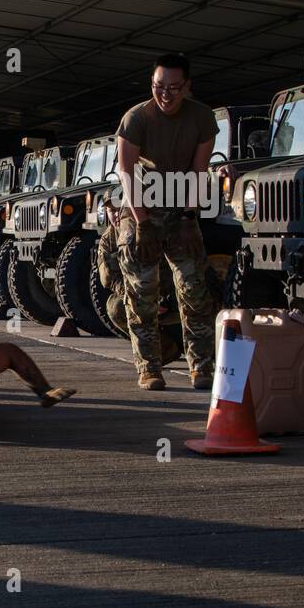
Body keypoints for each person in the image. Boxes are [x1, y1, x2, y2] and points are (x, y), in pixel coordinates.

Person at [115, 53, 218, 391]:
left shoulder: (202, 118)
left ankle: (201, 366)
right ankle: (149, 367)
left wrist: (189, 216)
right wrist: (142, 223)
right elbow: (126, 172)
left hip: (180, 211)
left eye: (174, 88)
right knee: (143, 292)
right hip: (141, 208)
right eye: (159, 87)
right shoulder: (136, 119)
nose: (166, 95)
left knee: (194, 289)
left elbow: (199, 171)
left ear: (187, 87)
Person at [95, 204, 184, 366]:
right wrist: (144, 298)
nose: (116, 215)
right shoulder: (109, 240)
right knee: (115, 308)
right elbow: (111, 280)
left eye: (118, 209)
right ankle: (162, 349)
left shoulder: (155, 226)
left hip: (171, 294)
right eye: (111, 211)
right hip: (139, 295)